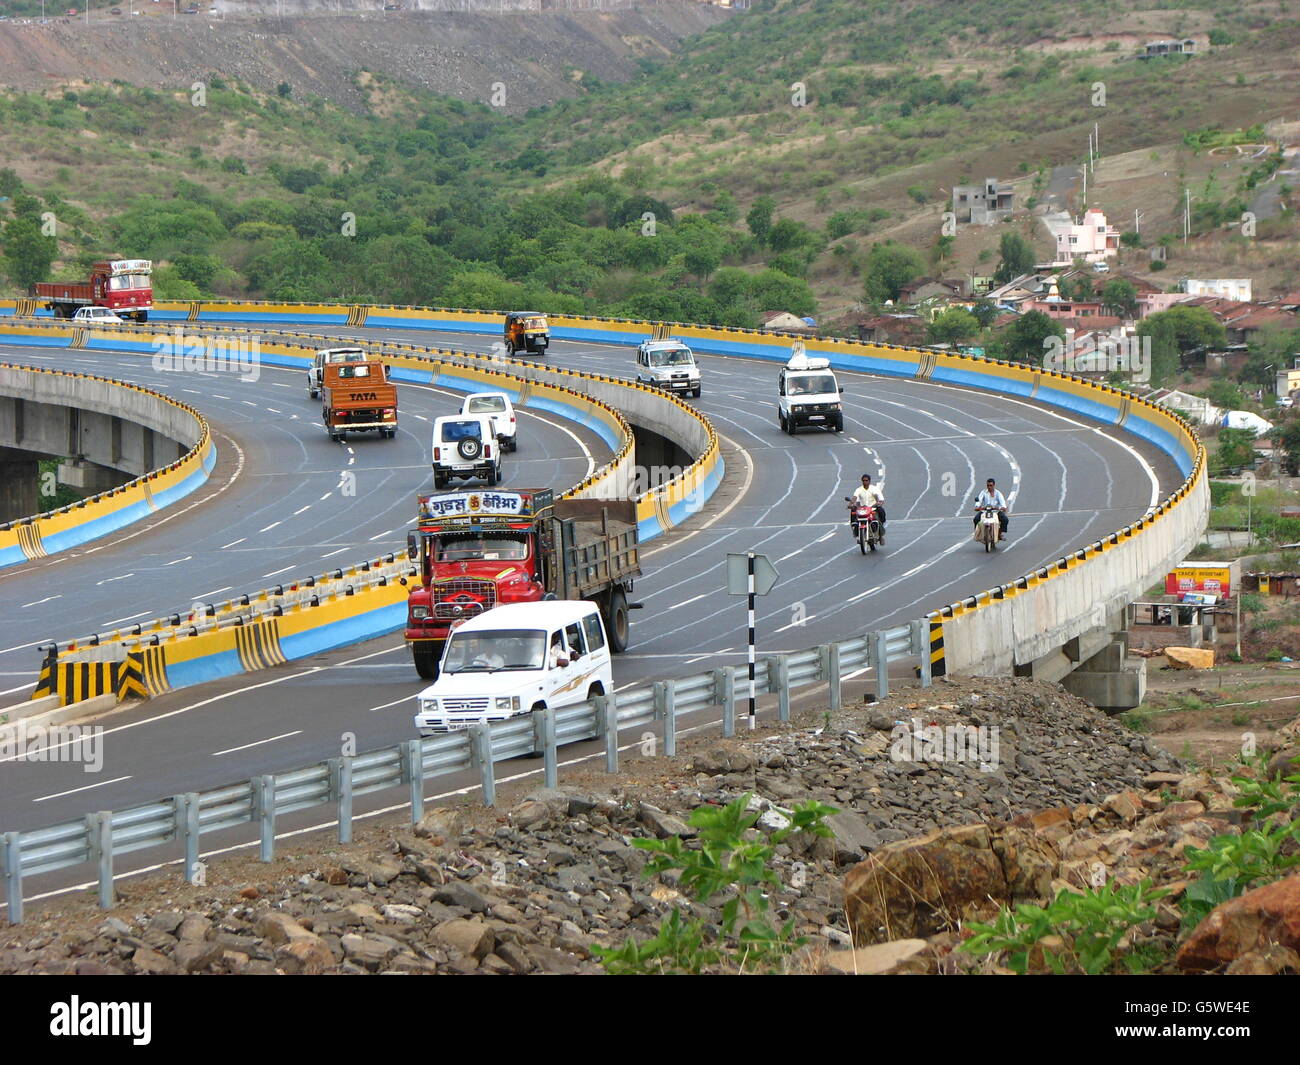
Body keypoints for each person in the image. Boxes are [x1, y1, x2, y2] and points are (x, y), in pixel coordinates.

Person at [849, 474, 887, 544]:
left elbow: (880, 499)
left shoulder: (874, 489)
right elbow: (855, 497)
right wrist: (851, 504)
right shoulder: (859, 489)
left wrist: (878, 503)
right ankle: (856, 533)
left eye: (866, 480)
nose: (865, 482)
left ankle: (881, 536)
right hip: (862, 510)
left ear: (869, 481)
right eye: (863, 480)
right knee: (854, 515)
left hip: (872, 509)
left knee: (879, 516)